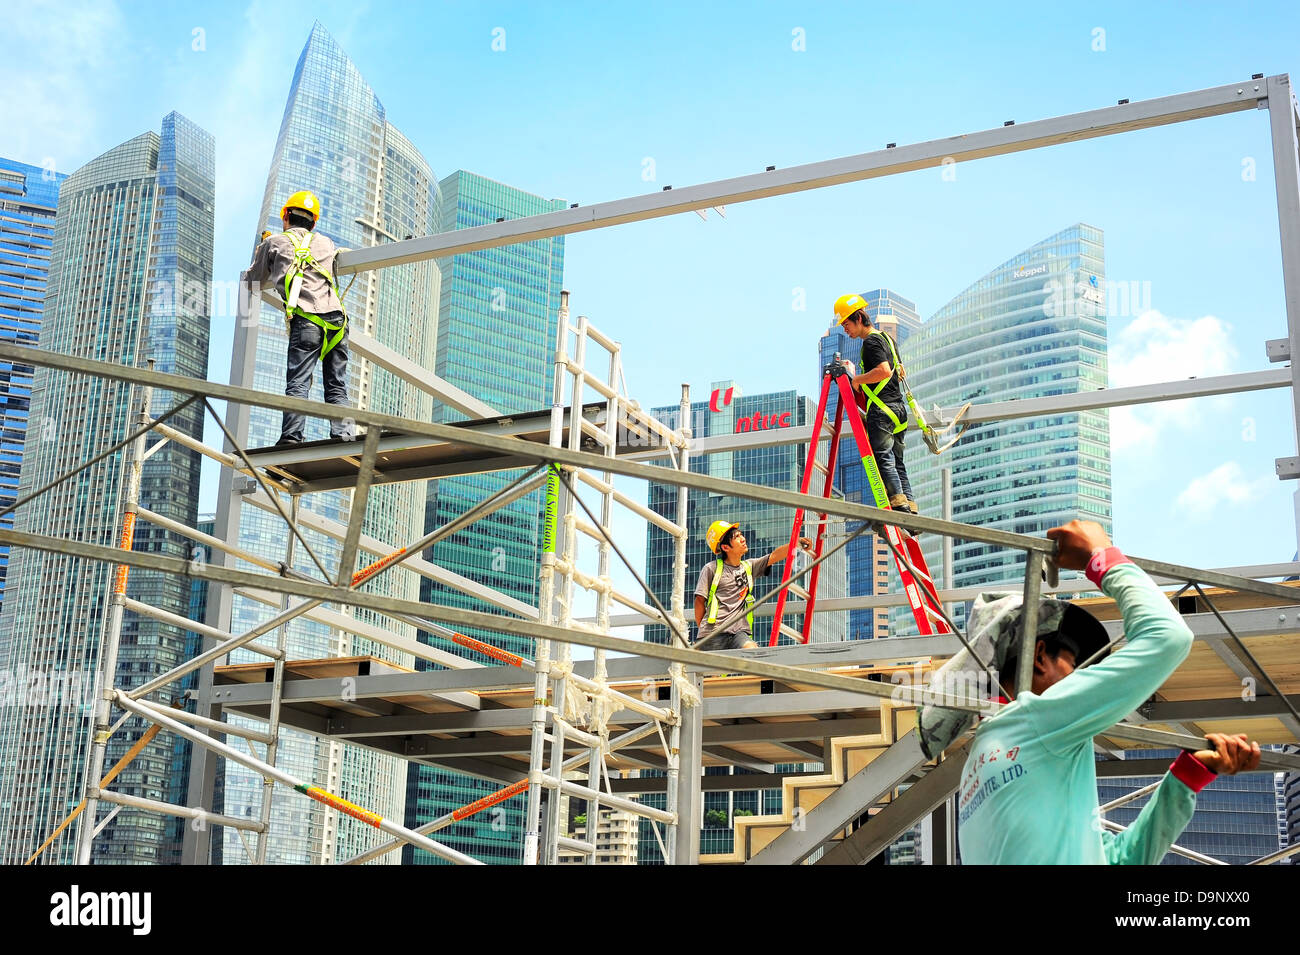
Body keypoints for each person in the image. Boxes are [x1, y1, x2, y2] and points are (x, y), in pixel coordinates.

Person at [950, 519, 1260, 864]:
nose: (1084, 677)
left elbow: (1118, 859)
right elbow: (1167, 636)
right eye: (1076, 665)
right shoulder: (1037, 719)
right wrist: (1100, 556)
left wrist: (1187, 778)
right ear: (1039, 658)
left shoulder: (977, 766)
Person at [245, 189, 353, 446]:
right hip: (338, 321)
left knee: (298, 383)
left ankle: (292, 438)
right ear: (314, 223)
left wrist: (264, 250)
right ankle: (345, 435)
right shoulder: (326, 243)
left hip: (307, 321)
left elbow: (253, 280)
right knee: (337, 385)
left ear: (285, 217)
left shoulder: (274, 243)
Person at [832, 292, 915, 517]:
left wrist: (857, 379)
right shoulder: (887, 339)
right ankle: (910, 507)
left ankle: (898, 506)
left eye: (847, 323)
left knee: (884, 459)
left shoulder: (870, 342)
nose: (845, 329)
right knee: (897, 462)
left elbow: (884, 371)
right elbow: (897, 371)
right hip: (898, 410)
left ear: (859, 318)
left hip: (883, 411)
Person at [693, 521, 811, 651]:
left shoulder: (749, 566)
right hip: (713, 633)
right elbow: (699, 600)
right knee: (713, 671)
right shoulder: (711, 569)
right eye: (736, 537)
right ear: (726, 547)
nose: (743, 539)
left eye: (741, 535)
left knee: (752, 652)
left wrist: (797, 543)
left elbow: (774, 556)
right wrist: (704, 632)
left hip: (738, 632)